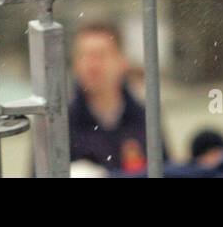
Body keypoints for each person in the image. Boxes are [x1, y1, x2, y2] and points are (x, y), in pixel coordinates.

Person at [67, 22, 164, 175]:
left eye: (101, 55)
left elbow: (166, 169)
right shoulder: (59, 125)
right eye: (84, 56)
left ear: (122, 61)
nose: (92, 65)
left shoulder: (145, 118)